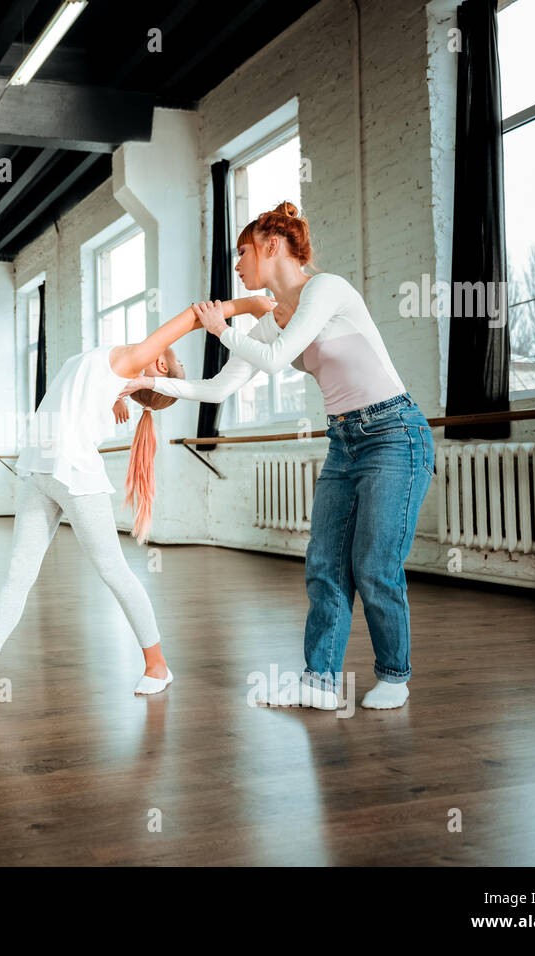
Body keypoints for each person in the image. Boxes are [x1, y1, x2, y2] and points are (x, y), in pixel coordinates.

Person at [123, 201, 433, 711]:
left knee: (375, 564)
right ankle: (320, 684)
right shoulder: (275, 320)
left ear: (272, 246)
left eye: (242, 253)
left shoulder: (327, 289)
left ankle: (394, 676)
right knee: (325, 565)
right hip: (345, 440)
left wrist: (222, 328)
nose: (239, 266)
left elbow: (272, 360)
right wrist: (149, 381)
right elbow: (220, 388)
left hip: (395, 433)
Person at [0, 291, 276, 700]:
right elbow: (87, 390)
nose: (165, 348)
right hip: (39, 470)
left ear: (159, 362)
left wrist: (247, 307)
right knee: (18, 577)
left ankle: (158, 666)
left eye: (167, 354)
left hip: (73, 475)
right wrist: (118, 396)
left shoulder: (128, 362)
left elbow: (191, 319)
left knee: (114, 571)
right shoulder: (118, 368)